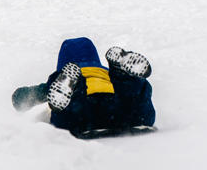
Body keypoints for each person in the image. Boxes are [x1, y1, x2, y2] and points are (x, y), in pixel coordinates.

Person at [12, 37, 155, 136]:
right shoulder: (104, 72)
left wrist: (19, 98)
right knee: (132, 96)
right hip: (117, 111)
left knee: (68, 112)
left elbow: (21, 98)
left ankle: (76, 88)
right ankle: (125, 76)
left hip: (84, 116)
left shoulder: (61, 79)